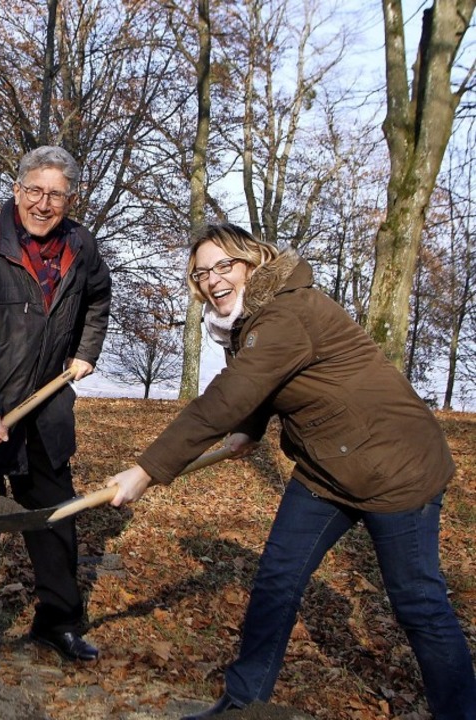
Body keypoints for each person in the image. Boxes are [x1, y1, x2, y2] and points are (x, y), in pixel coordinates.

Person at [106, 223, 476, 719]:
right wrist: (251, 429)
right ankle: (243, 702)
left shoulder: (287, 312)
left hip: (396, 466)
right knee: (278, 579)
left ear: (253, 261)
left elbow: (225, 399)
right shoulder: (254, 318)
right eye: (201, 273)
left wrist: (146, 470)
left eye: (224, 265)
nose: (212, 279)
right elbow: (259, 383)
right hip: (327, 467)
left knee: (418, 605)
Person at [0, 145, 112, 673]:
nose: (43, 203)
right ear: (16, 191)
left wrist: (86, 351)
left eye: (55, 194)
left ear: (70, 198)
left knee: (56, 520)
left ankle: (58, 622)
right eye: (34, 190)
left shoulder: (82, 248)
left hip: (47, 411)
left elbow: (99, 297)